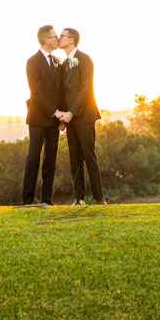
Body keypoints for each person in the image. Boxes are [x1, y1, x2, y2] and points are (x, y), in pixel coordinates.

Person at [58, 27, 107, 206]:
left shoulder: (85, 59)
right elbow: (63, 92)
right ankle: (78, 198)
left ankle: (98, 198)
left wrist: (72, 112)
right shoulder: (63, 64)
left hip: (84, 115)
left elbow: (86, 89)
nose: (58, 38)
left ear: (71, 40)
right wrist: (63, 116)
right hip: (69, 118)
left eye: (62, 36)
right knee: (74, 157)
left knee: (89, 155)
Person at [20, 25, 63, 207]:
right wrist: (55, 112)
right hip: (38, 118)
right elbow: (36, 91)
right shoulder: (32, 62)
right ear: (47, 40)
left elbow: (61, 91)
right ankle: (27, 200)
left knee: (51, 159)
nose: (57, 39)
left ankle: (47, 200)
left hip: (55, 120)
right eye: (55, 37)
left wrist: (60, 117)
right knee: (34, 157)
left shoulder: (57, 61)